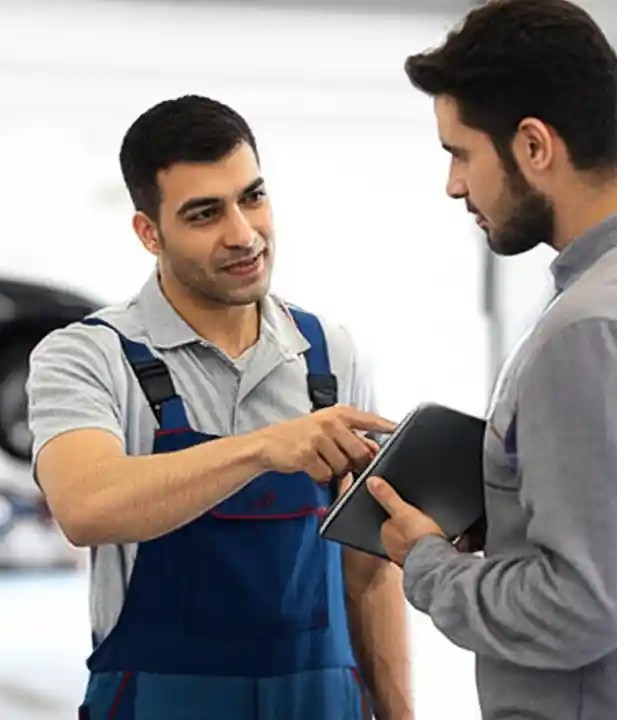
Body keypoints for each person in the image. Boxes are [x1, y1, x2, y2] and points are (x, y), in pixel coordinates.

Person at [366, 1, 617, 718]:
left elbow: (586, 605)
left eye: (460, 154)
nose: (455, 186)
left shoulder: (598, 328)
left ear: (534, 146)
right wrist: (508, 508)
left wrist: (425, 562)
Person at [27, 95, 414, 719]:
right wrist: (263, 448)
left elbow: (367, 571)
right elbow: (86, 506)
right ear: (148, 232)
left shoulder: (330, 356)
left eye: (252, 198)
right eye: (204, 214)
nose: (242, 234)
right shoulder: (88, 357)